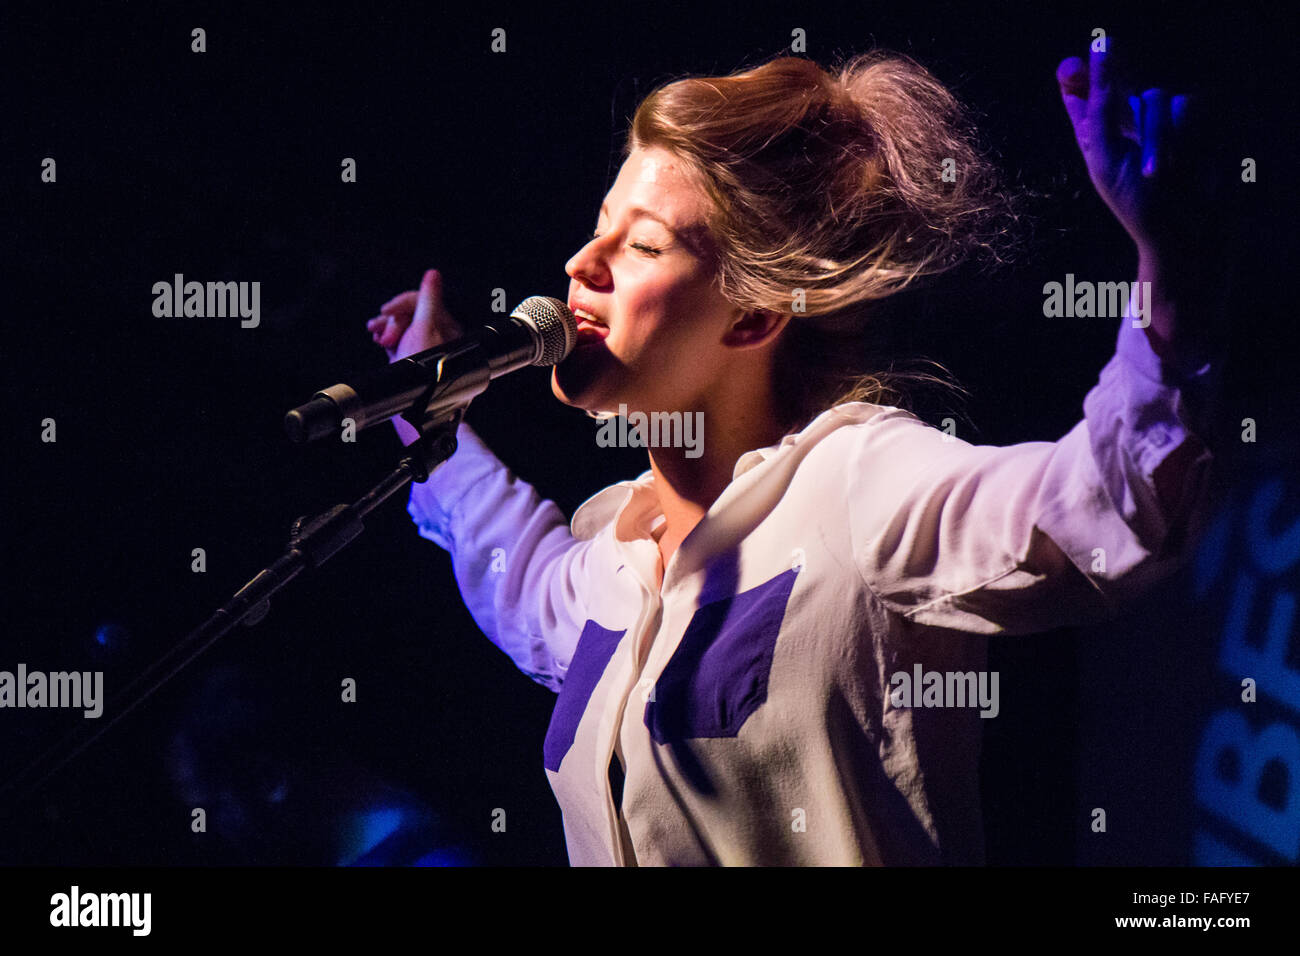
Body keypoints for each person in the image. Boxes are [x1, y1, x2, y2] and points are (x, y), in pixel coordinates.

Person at [364, 42, 1224, 865]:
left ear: (752, 316)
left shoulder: (857, 484)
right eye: (599, 230)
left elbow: (1099, 510)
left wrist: (1170, 267)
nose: (581, 263)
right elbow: (513, 569)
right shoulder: (614, 559)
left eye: (644, 245)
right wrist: (428, 411)